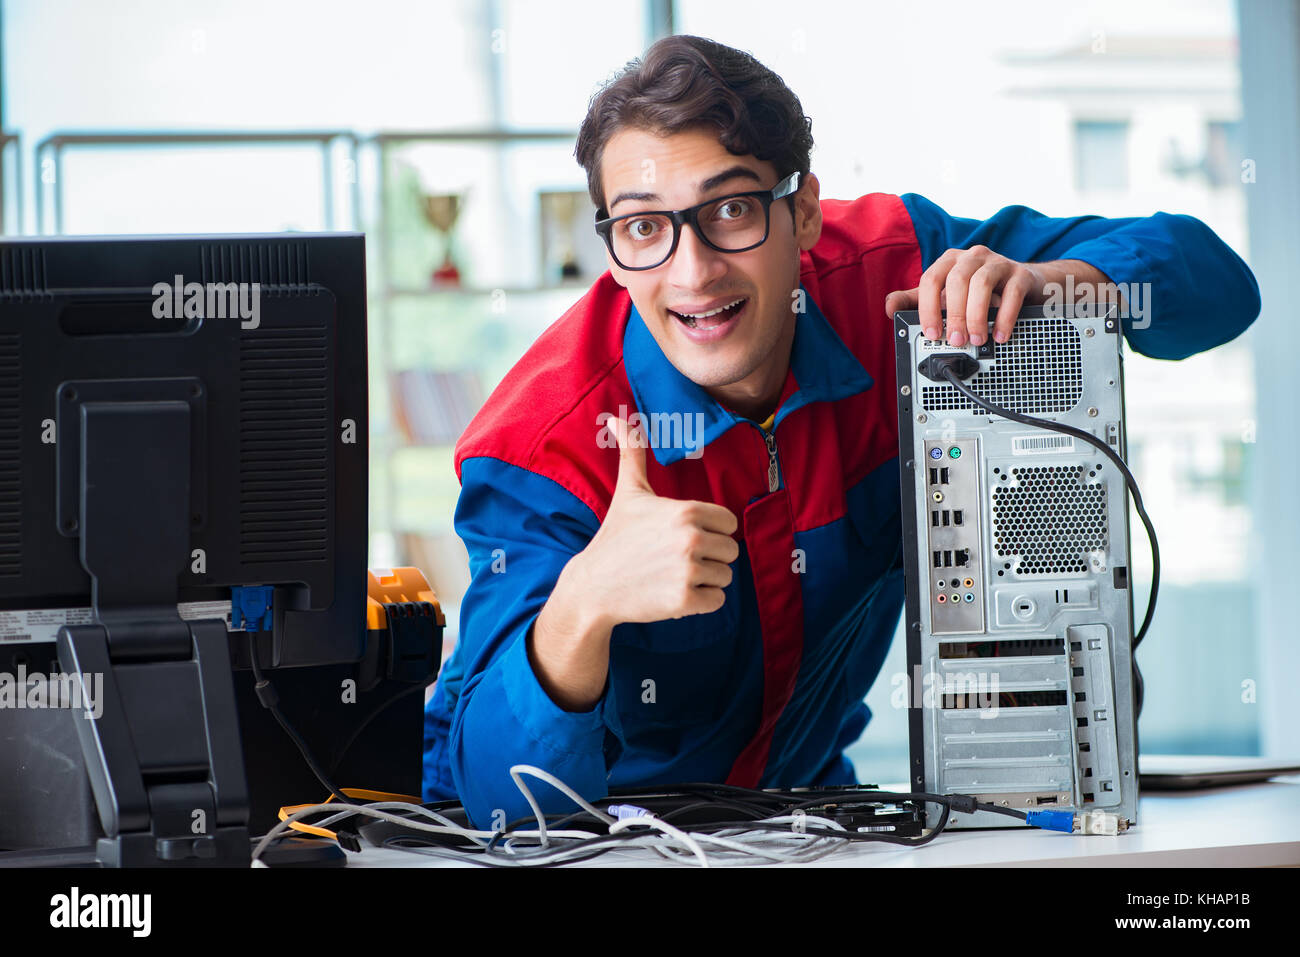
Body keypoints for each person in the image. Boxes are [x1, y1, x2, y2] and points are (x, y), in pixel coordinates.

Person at [422, 34, 1260, 829]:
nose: (694, 271)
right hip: (616, 840)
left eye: (733, 209)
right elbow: (499, 802)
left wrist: (1059, 288)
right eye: (644, 226)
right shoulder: (542, 450)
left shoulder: (904, 280)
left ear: (807, 213)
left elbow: (1222, 286)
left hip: (810, 818)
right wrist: (584, 605)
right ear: (611, 248)